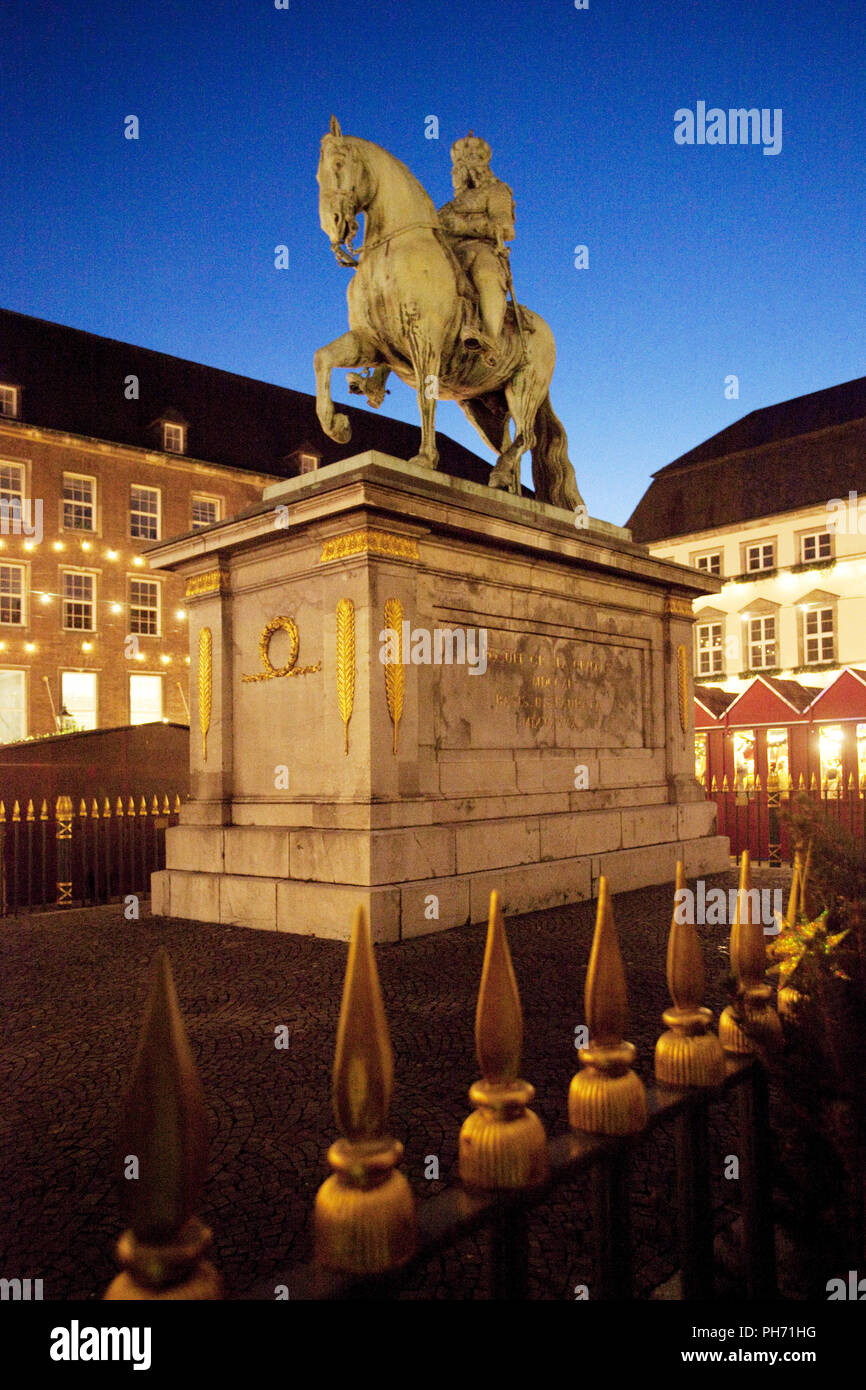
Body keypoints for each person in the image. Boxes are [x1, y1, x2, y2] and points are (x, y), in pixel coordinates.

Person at [438, 133, 516, 366]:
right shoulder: (449, 205)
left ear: (481, 164)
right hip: (446, 252)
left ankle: (491, 338)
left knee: (487, 272)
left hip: (479, 250)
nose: (462, 168)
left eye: (468, 161)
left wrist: (462, 225)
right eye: (458, 164)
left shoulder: (497, 190)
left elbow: (505, 229)